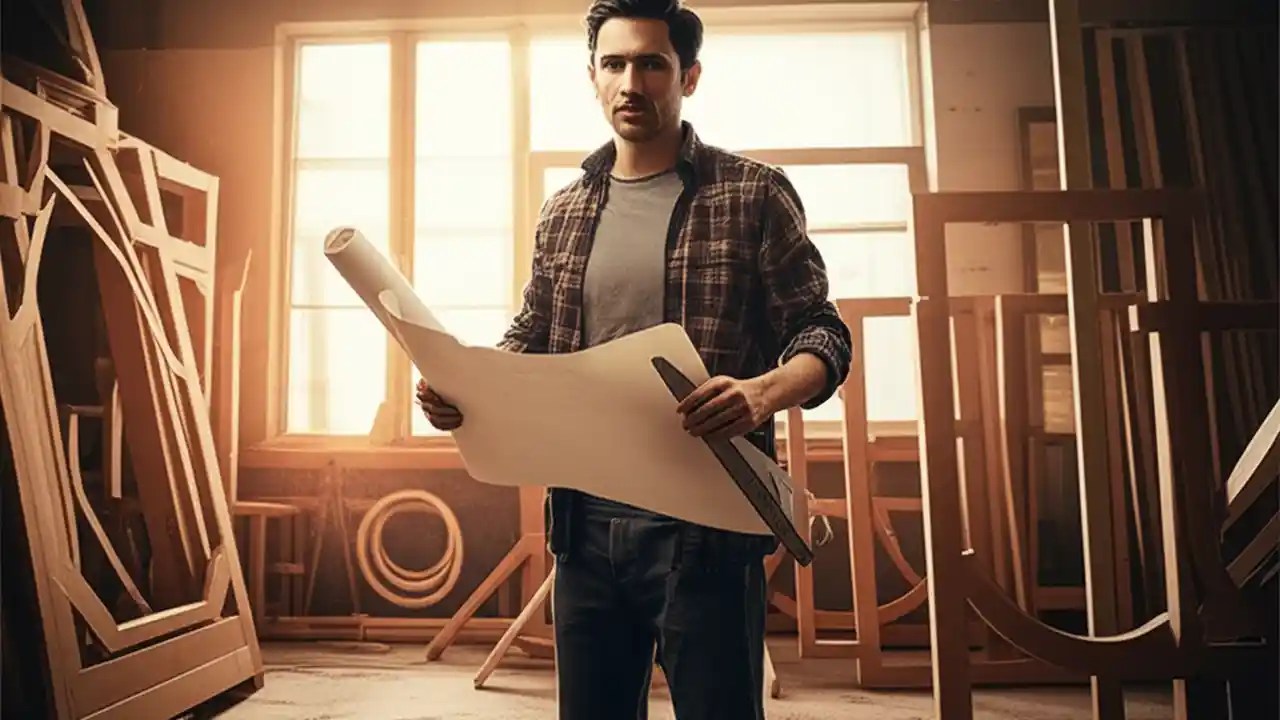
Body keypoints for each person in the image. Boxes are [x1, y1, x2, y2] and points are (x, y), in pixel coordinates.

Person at [417, 1, 852, 717]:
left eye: (652, 63)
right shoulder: (564, 211)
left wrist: (762, 392)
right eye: (614, 64)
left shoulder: (753, 193)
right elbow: (533, 333)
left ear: (690, 76)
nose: (631, 82)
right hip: (583, 527)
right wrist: (467, 388)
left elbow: (821, 331)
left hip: (705, 528)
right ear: (592, 77)